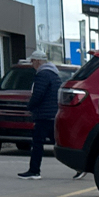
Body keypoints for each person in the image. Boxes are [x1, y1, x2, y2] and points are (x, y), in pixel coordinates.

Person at [18, 51, 62, 179]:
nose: (32, 64)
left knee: (37, 143)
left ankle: (34, 171)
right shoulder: (54, 74)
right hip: (52, 113)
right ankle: (78, 167)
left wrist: (30, 107)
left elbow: (38, 94)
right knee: (57, 143)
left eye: (32, 61)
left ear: (37, 61)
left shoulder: (42, 74)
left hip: (43, 114)